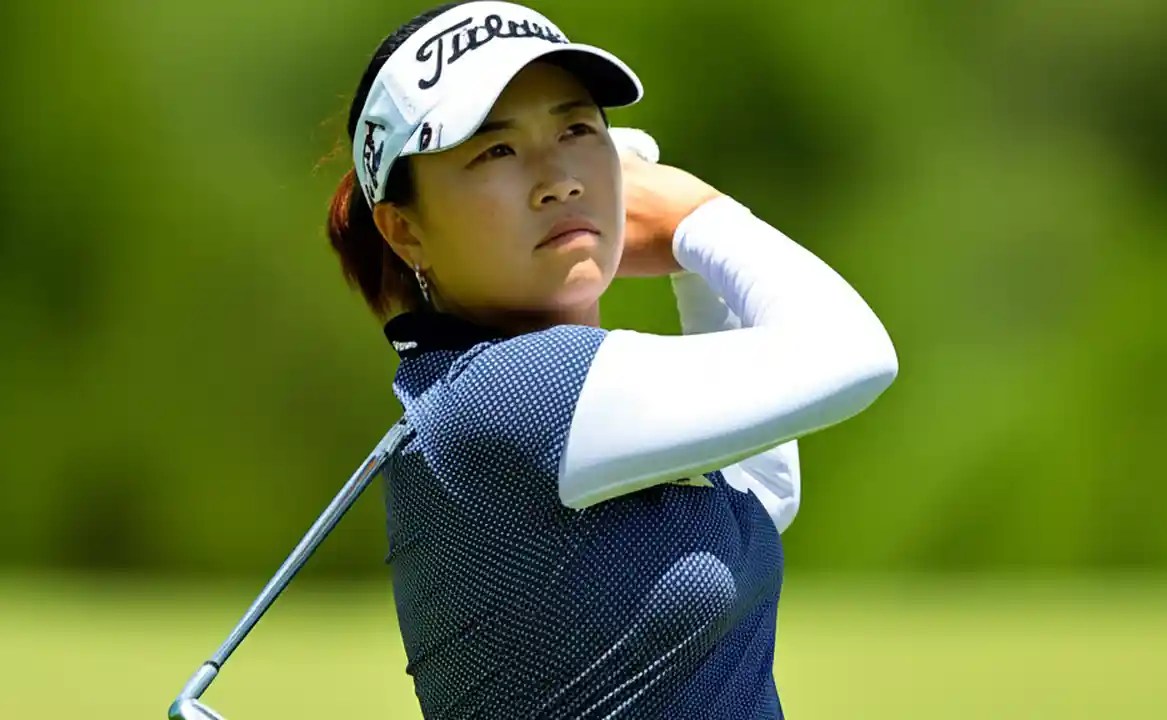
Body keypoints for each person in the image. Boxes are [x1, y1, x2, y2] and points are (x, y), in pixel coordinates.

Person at [325, 1, 898, 717]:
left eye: (575, 130)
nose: (558, 179)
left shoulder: (517, 397)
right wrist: (699, 217)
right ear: (404, 230)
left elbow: (756, 496)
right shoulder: (513, 393)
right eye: (495, 150)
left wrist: (689, 269)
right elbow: (854, 355)